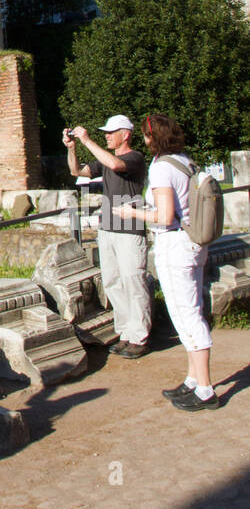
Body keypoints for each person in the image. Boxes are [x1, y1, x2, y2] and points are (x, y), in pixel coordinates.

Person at [115, 113, 219, 411]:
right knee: (192, 309)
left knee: (187, 315)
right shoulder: (186, 161)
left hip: (175, 246)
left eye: (146, 135)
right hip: (193, 244)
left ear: (152, 137)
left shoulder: (162, 168)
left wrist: (131, 213)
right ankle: (193, 379)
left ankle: (205, 389)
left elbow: (163, 215)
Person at [64, 115, 150, 357]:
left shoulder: (135, 158)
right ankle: (125, 332)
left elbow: (115, 165)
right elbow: (77, 171)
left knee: (134, 281)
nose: (107, 136)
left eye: (112, 132)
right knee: (112, 282)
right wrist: (73, 149)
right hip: (108, 227)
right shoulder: (106, 159)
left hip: (130, 228)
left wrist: (87, 140)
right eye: (106, 133)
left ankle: (140, 335)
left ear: (126, 134)